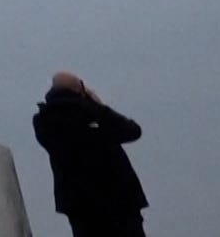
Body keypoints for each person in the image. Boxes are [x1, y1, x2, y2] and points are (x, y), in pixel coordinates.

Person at [33, 71, 148, 236]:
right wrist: (97, 105)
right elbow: (132, 131)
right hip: (119, 199)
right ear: (80, 89)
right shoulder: (92, 112)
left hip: (78, 204)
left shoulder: (42, 121)